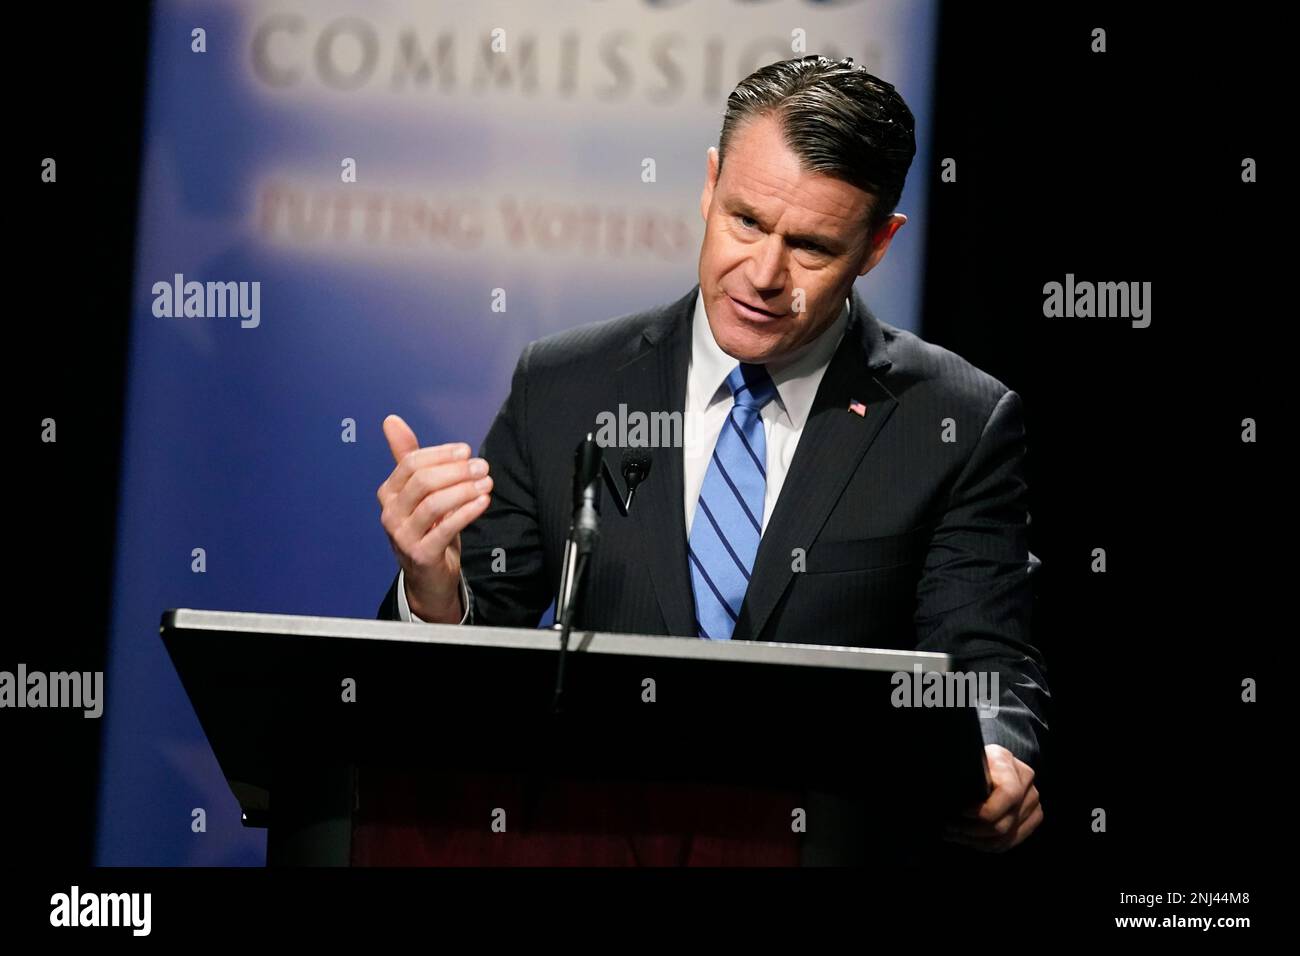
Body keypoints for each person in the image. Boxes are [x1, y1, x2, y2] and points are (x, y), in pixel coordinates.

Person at [376, 55, 1046, 852]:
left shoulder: (954, 421)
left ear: (876, 246)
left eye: (811, 247)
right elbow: (468, 679)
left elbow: (981, 659)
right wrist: (433, 590)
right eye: (746, 221)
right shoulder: (565, 386)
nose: (762, 275)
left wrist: (996, 754)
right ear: (710, 183)